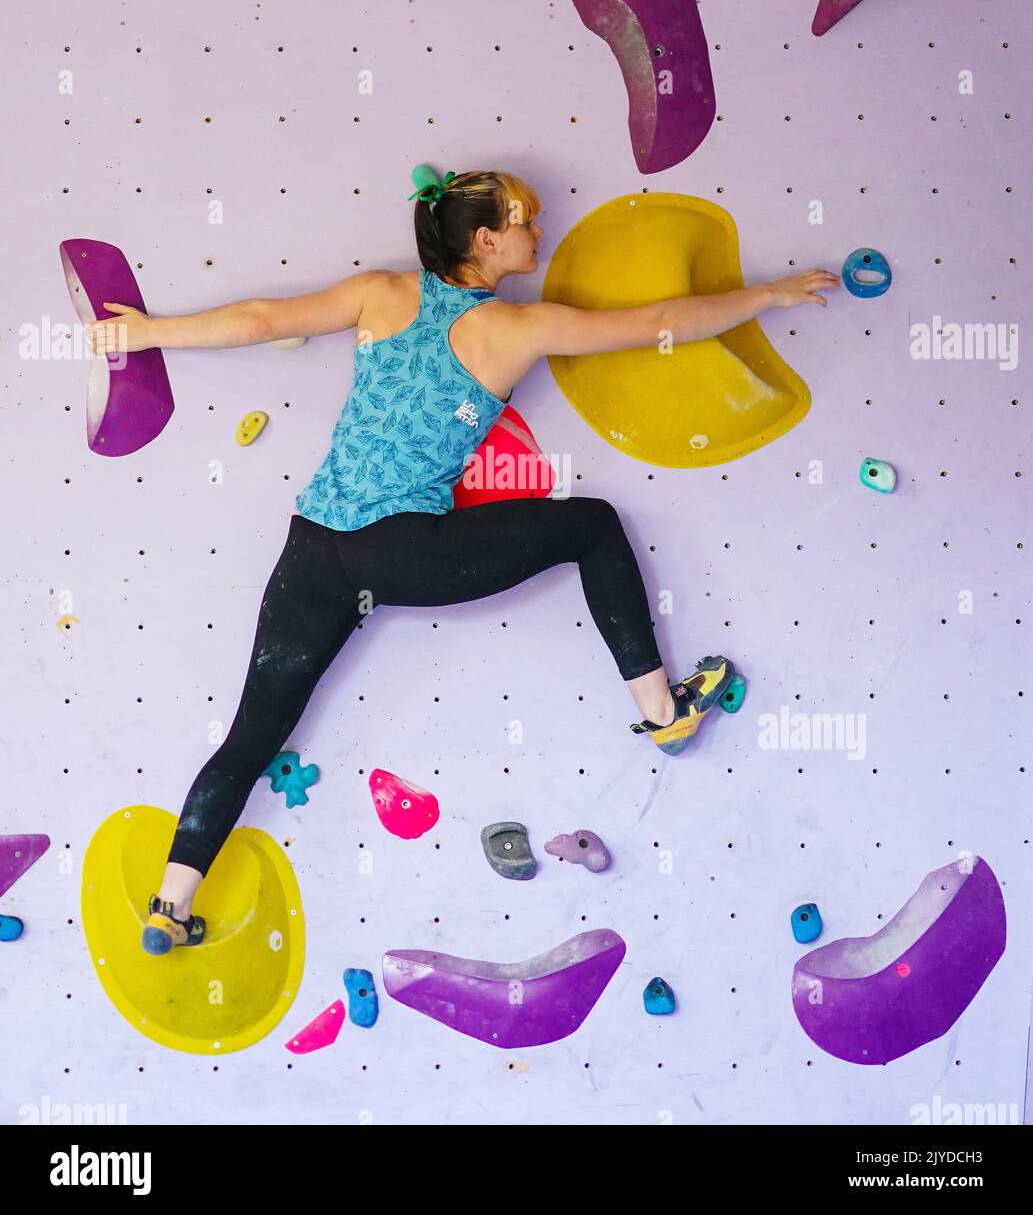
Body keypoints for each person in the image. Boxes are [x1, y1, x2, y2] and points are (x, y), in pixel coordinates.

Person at [88, 167, 838, 953]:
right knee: (590, 524)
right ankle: (663, 712)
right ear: (487, 240)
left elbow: (261, 319)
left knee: (251, 733)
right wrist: (764, 296)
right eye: (526, 221)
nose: (538, 233)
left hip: (312, 547)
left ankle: (170, 905)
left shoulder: (380, 294)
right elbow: (656, 320)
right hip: (408, 551)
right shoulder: (516, 328)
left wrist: (142, 332)